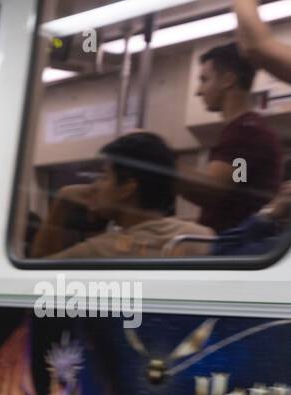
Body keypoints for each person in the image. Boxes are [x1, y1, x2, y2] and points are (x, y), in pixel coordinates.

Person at [32, 131, 215, 259]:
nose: (95, 186)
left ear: (127, 188)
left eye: (105, 176)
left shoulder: (101, 251)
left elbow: (37, 280)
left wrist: (61, 203)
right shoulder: (200, 236)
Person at [174, 42, 282, 233]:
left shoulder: (247, 133)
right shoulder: (244, 131)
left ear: (227, 81)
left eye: (204, 80)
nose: (198, 91)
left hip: (233, 251)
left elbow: (213, 190)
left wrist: (157, 160)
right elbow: (235, 191)